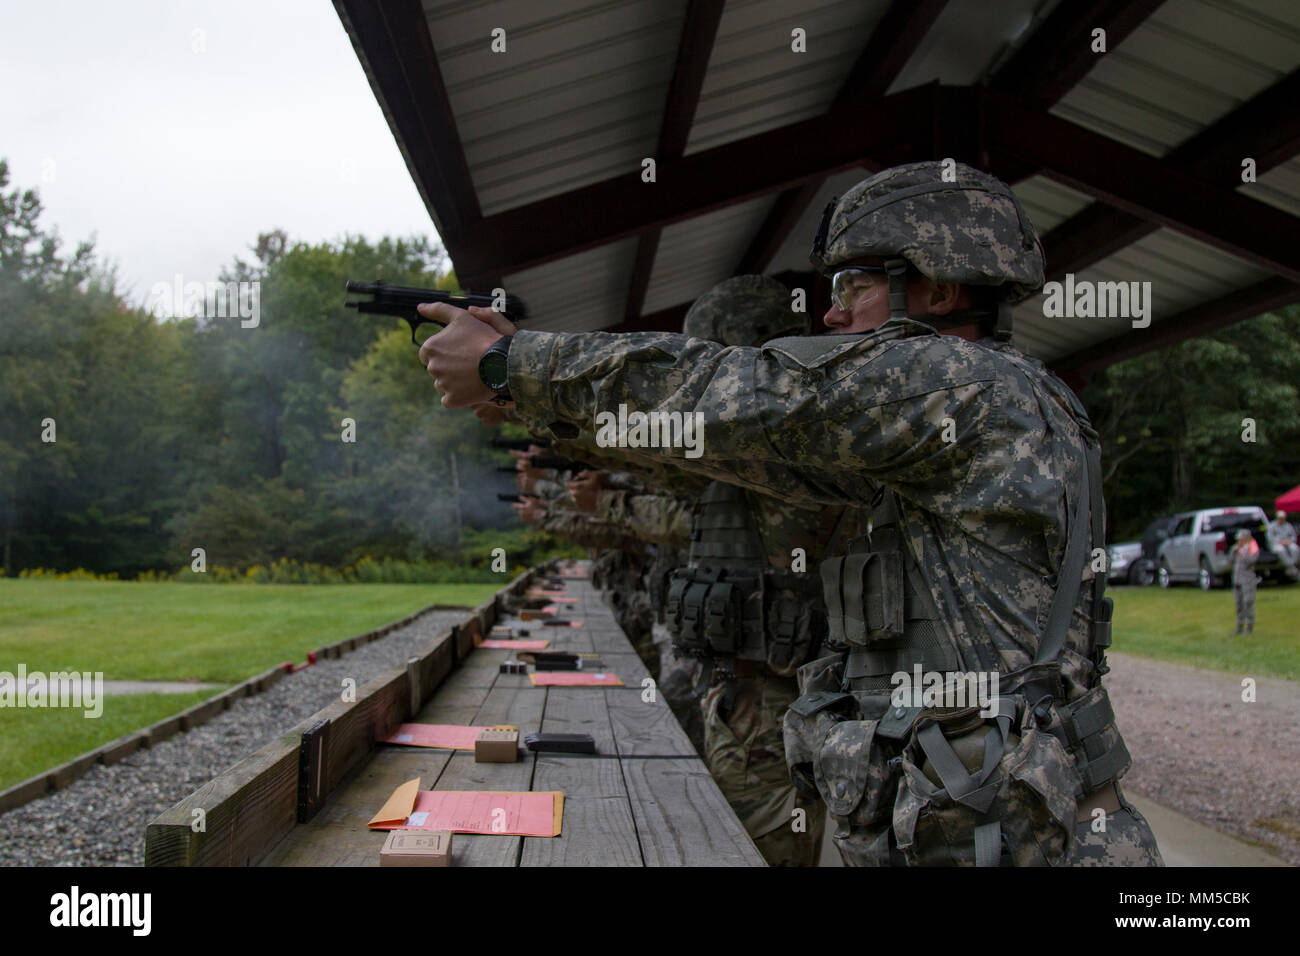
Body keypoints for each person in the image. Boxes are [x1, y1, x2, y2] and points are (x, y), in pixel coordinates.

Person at [417, 160, 1162, 867]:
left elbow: (747, 401)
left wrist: (517, 366)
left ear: (937, 290)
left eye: (855, 283)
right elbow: (744, 450)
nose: (833, 310)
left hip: (1006, 822)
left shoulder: (953, 385)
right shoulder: (992, 397)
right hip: (1014, 810)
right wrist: (547, 405)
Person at [1229, 529, 1260, 635]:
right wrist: (1233, 551)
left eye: (1241, 539)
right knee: (1239, 605)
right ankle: (1239, 627)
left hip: (1248, 580)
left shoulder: (1253, 548)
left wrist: (1244, 551)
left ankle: (1249, 628)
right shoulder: (1237, 549)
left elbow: (1250, 561)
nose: (1239, 541)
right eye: (1238, 540)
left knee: (1248, 603)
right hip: (1237, 580)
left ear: (1247, 539)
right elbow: (1230, 561)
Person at [1268, 509, 1298, 577]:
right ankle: (1291, 567)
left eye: (1283, 518)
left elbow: (1293, 536)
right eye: (1280, 518)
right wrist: (1280, 541)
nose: (1281, 519)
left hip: (1288, 542)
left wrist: (1290, 541)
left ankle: (1291, 565)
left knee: (1295, 548)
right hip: (1276, 544)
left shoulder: (1288, 525)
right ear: (1277, 518)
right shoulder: (1272, 526)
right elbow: (1270, 538)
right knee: (1281, 550)